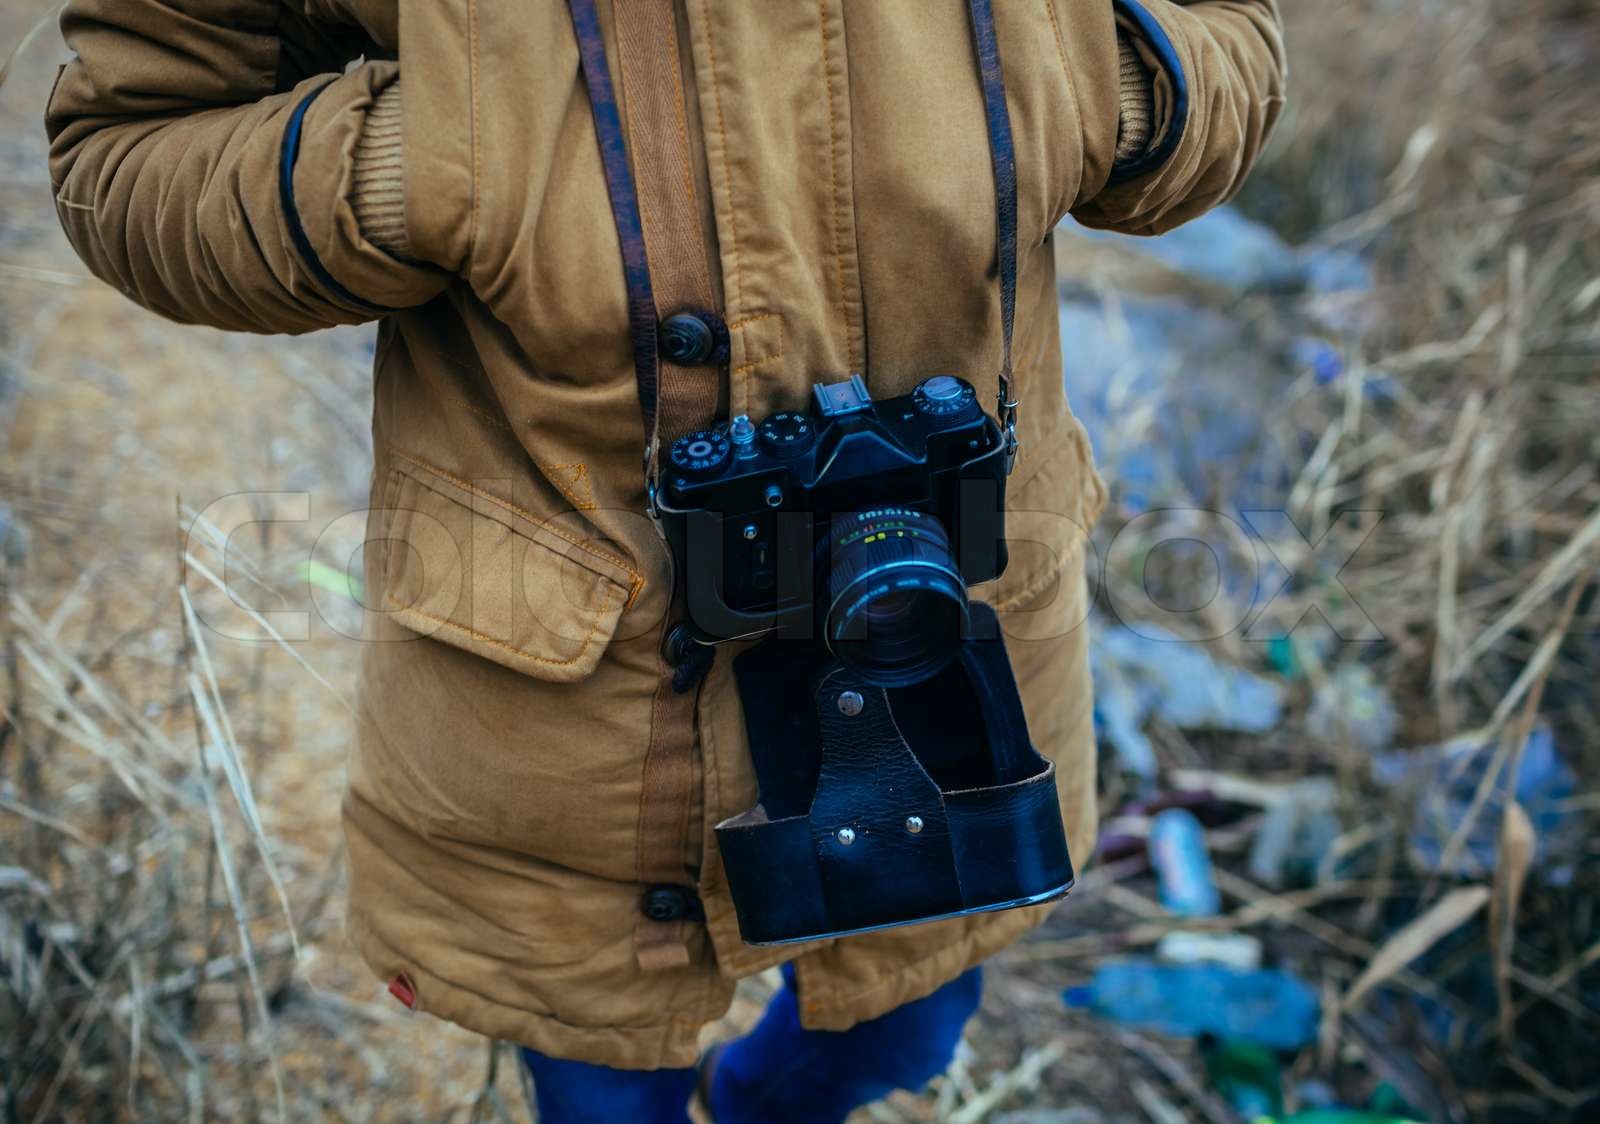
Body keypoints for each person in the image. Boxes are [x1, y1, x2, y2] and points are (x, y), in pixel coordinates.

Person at [46, 1, 1284, 1120]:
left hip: (949, 622)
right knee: (599, 1080)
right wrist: (430, 164)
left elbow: (1233, 37)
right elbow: (126, 158)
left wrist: (1070, 69)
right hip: (566, 685)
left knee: (903, 1028)